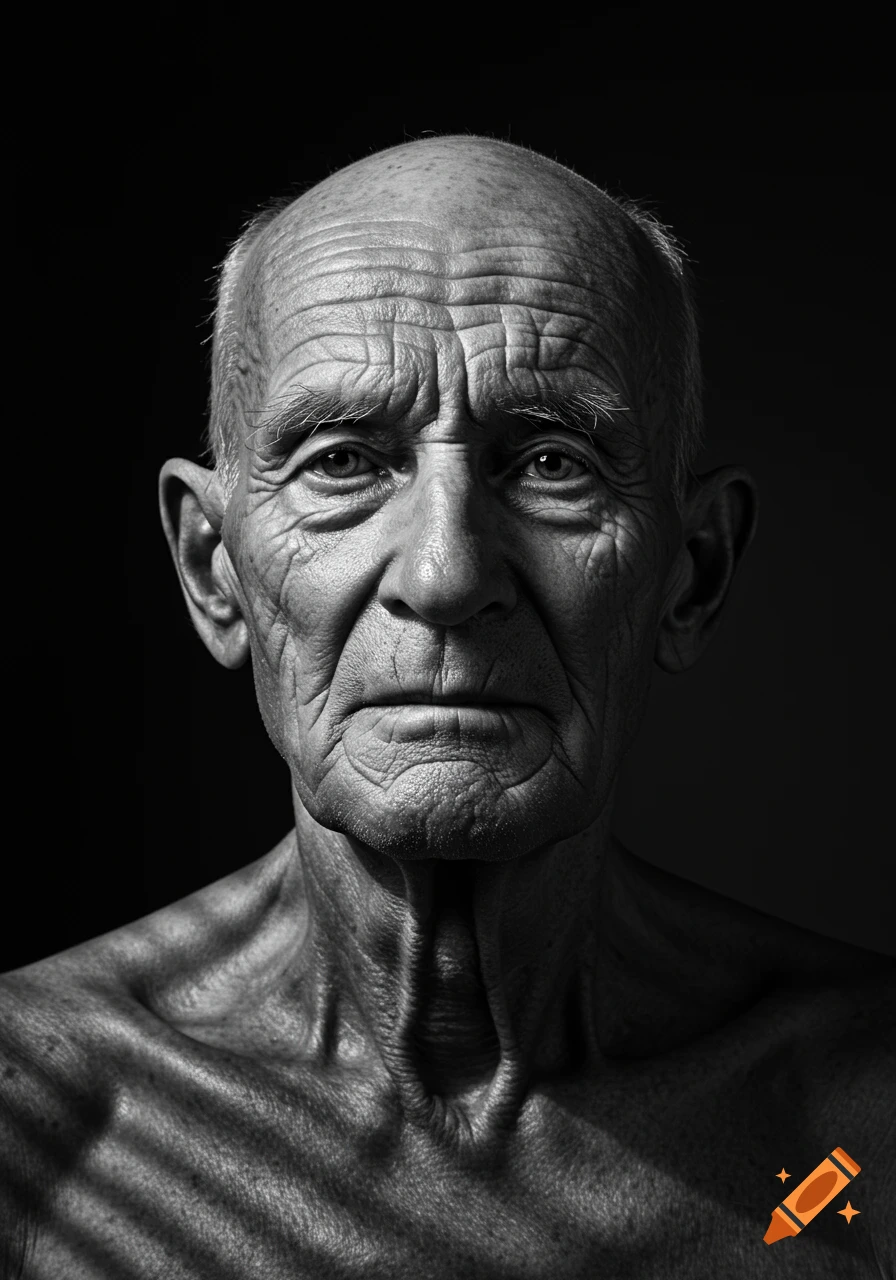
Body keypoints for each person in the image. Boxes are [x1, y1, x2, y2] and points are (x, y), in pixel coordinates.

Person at [2, 136, 893, 1280]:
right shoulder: (40, 1126)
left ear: (692, 575)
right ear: (214, 568)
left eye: (552, 462)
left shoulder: (856, 1129)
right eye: (341, 461)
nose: (445, 571)